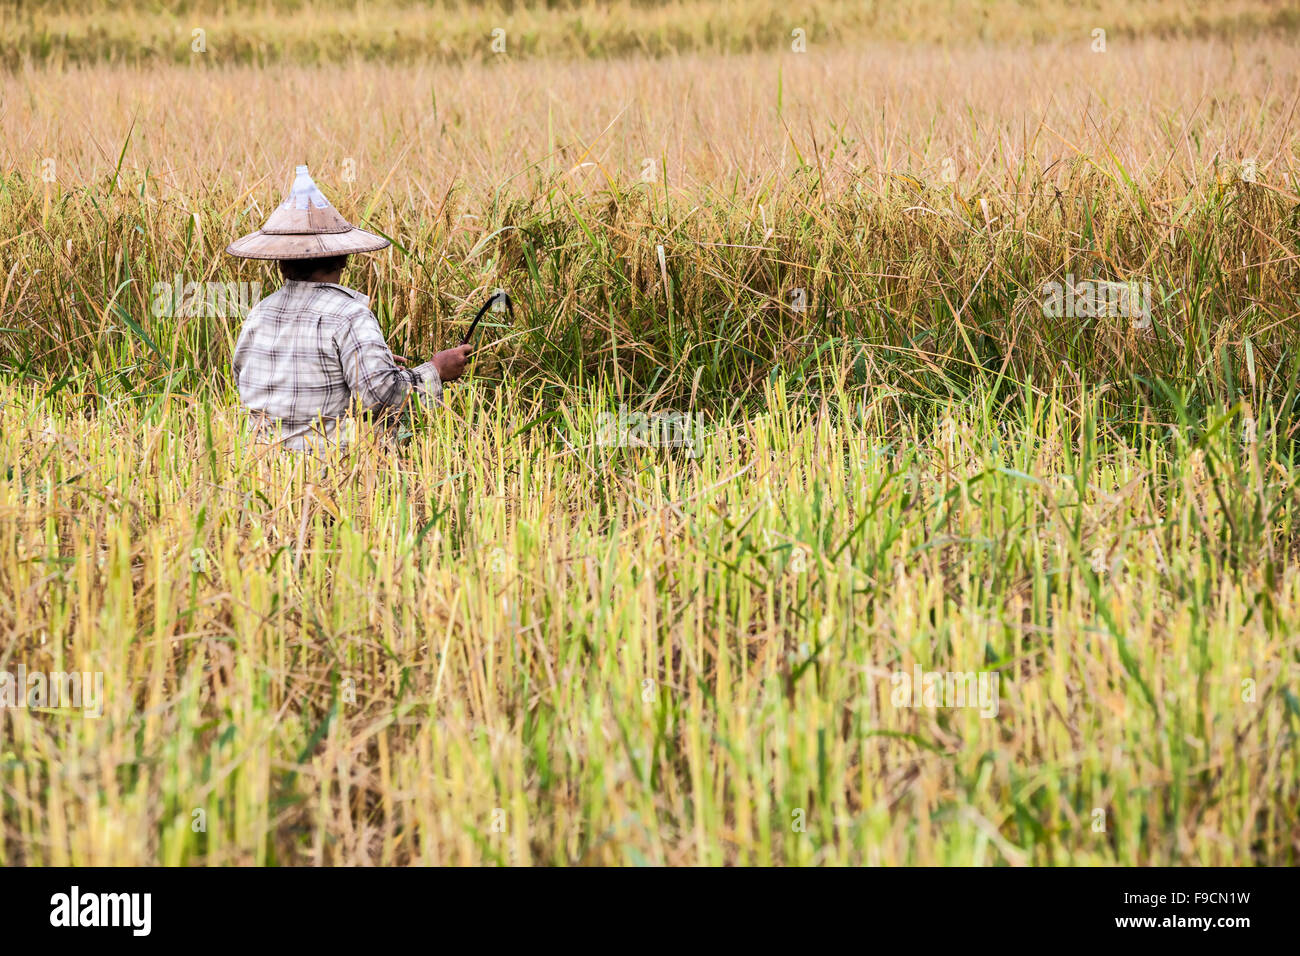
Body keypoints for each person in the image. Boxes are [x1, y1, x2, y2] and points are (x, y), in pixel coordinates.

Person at [227, 165, 471, 449]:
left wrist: (349, 362)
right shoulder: (349, 316)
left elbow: (251, 380)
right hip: (323, 473)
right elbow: (381, 399)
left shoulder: (259, 312)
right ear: (343, 259)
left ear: (281, 262)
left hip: (260, 473)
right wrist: (437, 369)